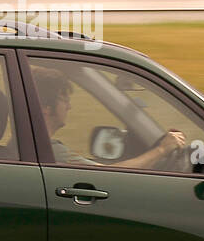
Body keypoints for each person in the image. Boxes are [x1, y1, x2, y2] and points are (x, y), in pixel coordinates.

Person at [32, 66, 186, 170]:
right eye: (64, 99)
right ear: (46, 108)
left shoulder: (30, 146)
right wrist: (162, 149)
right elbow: (109, 174)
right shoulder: (50, 151)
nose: (69, 107)